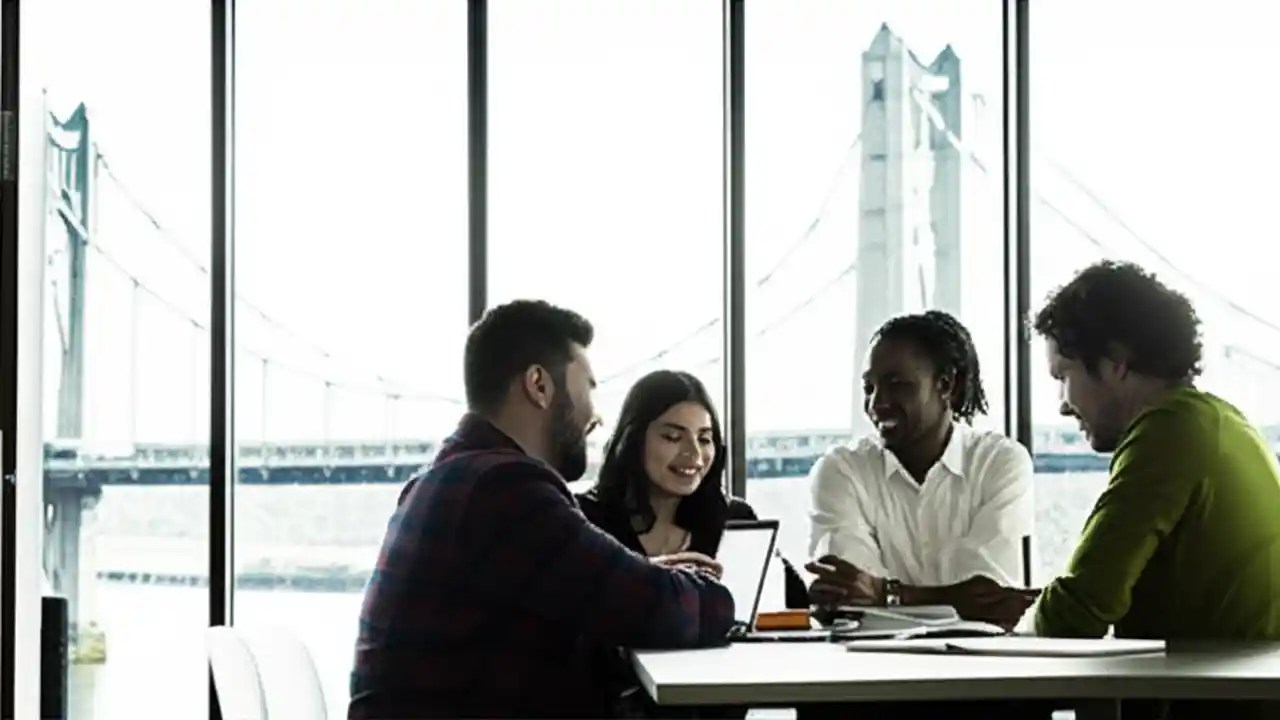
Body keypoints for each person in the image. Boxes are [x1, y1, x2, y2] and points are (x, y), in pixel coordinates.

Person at [348, 300, 735, 719]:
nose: (595, 415)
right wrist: (699, 591)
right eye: (587, 388)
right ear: (539, 385)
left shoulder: (455, 476)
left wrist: (642, 578)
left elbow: (594, 600)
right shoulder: (505, 489)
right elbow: (662, 612)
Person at [1032, 261, 1280, 638]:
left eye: (1063, 376)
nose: (1062, 405)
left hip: (1212, 678)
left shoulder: (1170, 430)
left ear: (1115, 362)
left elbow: (1077, 611)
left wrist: (998, 636)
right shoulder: (1215, 421)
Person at [805, 310, 1037, 629]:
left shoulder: (999, 462)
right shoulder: (841, 471)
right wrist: (951, 598)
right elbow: (851, 605)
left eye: (897, 385)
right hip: (873, 660)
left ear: (946, 385)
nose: (876, 403)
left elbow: (990, 601)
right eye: (869, 388)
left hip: (979, 658)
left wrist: (886, 594)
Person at [578, 369, 810, 610]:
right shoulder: (585, 518)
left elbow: (794, 604)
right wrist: (649, 578)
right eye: (673, 437)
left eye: (704, 439)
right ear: (633, 439)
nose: (694, 454)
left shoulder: (733, 517)